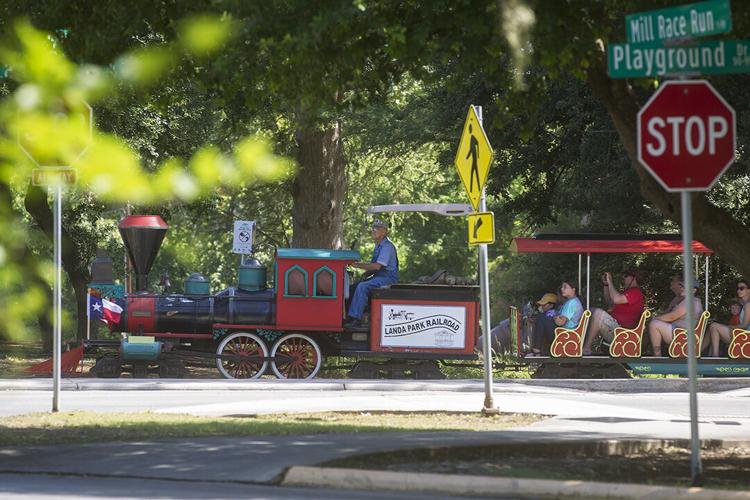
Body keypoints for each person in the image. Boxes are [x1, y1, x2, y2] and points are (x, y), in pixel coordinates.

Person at [343, 219, 399, 328]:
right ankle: (347, 316)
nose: (373, 230)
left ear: (384, 231)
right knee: (353, 287)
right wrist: (365, 275)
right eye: (373, 228)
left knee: (363, 286)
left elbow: (377, 266)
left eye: (377, 228)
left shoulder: (387, 247)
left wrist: (357, 265)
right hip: (379, 276)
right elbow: (375, 269)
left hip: (388, 278)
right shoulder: (378, 245)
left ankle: (356, 319)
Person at [583, 269, 645, 355]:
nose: (623, 278)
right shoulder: (627, 292)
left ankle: (586, 349)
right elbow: (609, 301)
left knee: (597, 313)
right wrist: (606, 284)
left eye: (626, 276)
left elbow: (616, 299)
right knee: (590, 311)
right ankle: (581, 344)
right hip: (616, 329)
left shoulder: (635, 292)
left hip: (622, 334)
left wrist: (610, 281)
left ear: (634, 279)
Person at [648, 276, 703, 357]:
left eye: (684, 287)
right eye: (681, 286)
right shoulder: (689, 300)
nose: (682, 288)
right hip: (680, 332)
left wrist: (655, 318)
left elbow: (672, 317)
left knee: (654, 324)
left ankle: (657, 356)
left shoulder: (691, 302)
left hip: (682, 336)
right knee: (655, 323)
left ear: (693, 290)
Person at [709, 279, 750, 357]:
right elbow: (737, 300)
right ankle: (710, 354)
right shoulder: (745, 304)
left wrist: (729, 326)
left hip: (745, 337)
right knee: (712, 328)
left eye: (741, 288)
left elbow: (744, 326)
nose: (738, 290)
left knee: (714, 326)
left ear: (748, 290)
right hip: (742, 335)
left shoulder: (748, 305)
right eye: (737, 288)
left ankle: (714, 356)